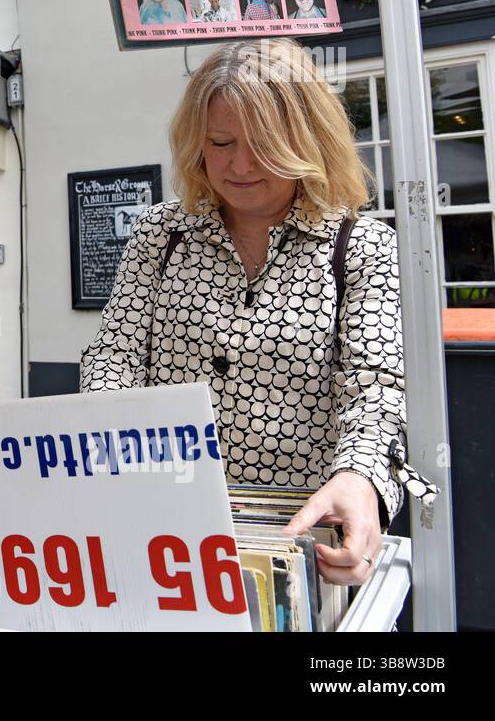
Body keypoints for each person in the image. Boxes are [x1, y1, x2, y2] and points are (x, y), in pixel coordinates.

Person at [81, 38, 435, 586]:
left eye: (265, 144)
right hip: (165, 528)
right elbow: (115, 354)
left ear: (309, 140)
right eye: (221, 142)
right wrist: (107, 430)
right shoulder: (160, 234)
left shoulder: (360, 246)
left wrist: (361, 479)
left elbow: (376, 388)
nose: (240, 165)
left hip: (297, 542)